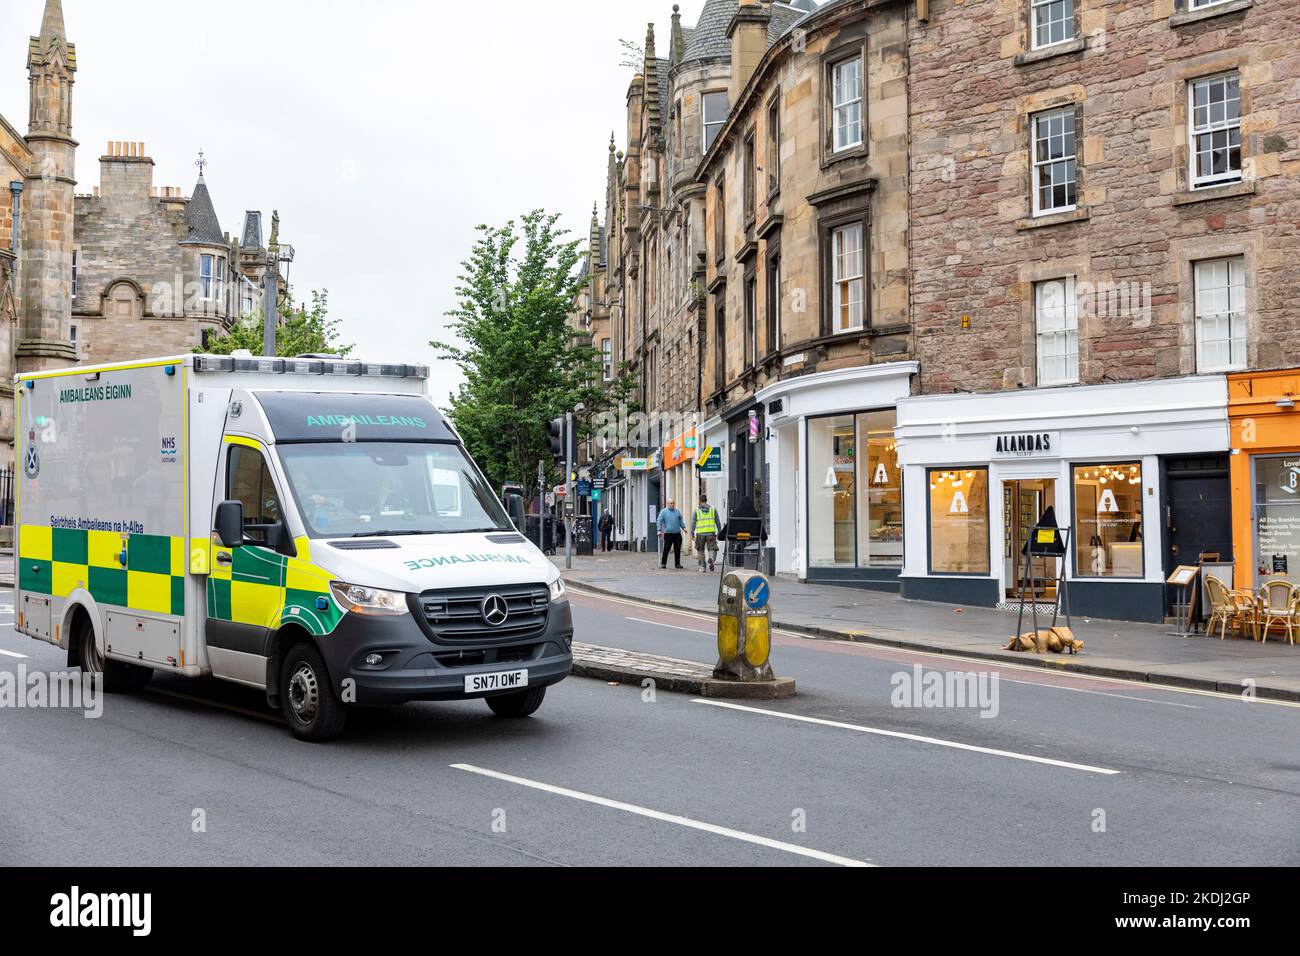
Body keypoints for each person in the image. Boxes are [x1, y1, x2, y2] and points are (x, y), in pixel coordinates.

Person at [692, 493, 720, 573]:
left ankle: (702, 567)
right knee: (712, 548)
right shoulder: (713, 509)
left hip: (700, 534)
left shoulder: (696, 510)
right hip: (711, 533)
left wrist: (692, 533)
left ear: (700, 501)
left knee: (700, 550)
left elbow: (693, 522)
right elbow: (717, 522)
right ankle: (711, 558)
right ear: (706, 500)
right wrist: (719, 531)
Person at [656, 499, 686, 570]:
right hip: (668, 533)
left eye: (673, 503)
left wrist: (684, 528)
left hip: (677, 533)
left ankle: (677, 564)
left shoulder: (677, 511)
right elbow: (659, 520)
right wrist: (659, 530)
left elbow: (680, 520)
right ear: (667, 504)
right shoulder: (663, 512)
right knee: (666, 548)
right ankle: (663, 563)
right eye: (670, 503)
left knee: (677, 549)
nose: (672, 504)